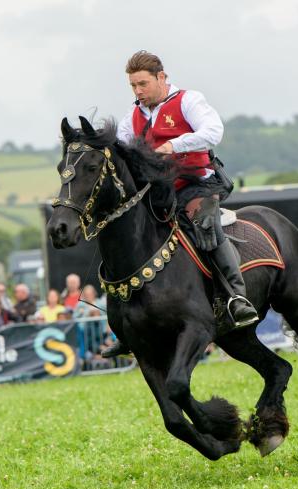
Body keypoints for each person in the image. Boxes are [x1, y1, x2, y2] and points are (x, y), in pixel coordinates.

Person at [106, 50, 258, 357]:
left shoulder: (188, 101)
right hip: (156, 192)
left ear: (161, 78)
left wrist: (175, 144)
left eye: (143, 84)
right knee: (126, 234)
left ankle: (236, 297)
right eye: (133, 86)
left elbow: (214, 132)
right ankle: (127, 324)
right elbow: (119, 150)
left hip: (196, 184)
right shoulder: (131, 117)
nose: (138, 91)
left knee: (204, 224)